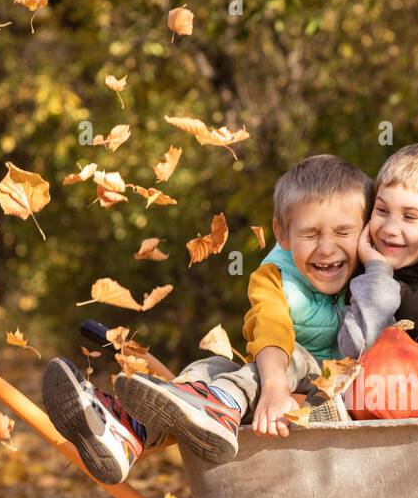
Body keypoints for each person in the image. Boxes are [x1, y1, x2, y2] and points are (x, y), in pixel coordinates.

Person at [41, 154, 372, 477]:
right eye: (310, 234)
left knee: (288, 358)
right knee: (210, 367)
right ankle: (130, 430)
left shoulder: (372, 276)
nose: (327, 247)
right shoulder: (274, 278)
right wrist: (274, 387)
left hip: (328, 400)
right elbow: (271, 329)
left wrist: (274, 386)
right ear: (282, 234)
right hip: (274, 391)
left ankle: (218, 405)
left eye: (343, 232)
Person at [337, 140, 418, 356]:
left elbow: (364, 348)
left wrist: (377, 271)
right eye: (382, 210)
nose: (390, 229)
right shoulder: (352, 260)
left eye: (409, 217)